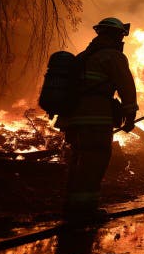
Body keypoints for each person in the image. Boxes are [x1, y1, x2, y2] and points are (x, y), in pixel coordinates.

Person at [58, 17, 137, 220]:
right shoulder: (113, 56)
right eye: (121, 35)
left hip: (74, 120)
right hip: (96, 119)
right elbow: (126, 87)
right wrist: (130, 115)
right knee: (94, 162)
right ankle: (86, 211)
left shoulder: (83, 56)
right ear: (117, 35)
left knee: (78, 161)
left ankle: (71, 206)